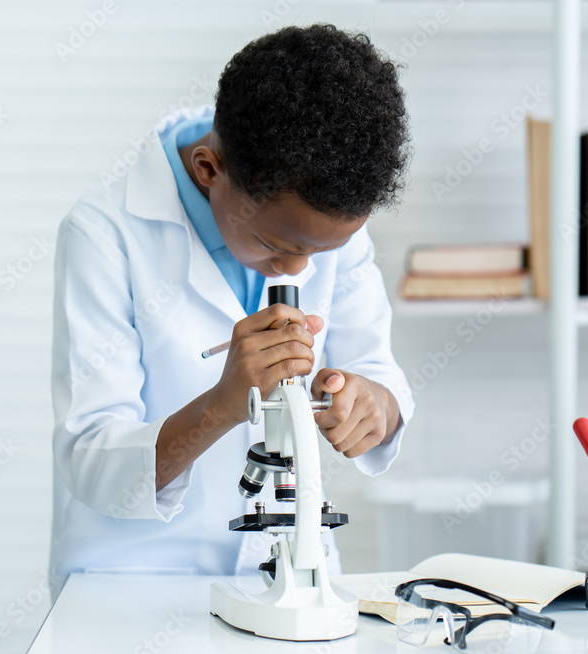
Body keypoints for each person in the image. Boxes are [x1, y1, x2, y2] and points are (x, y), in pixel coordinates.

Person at [50, 24, 414, 599]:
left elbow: (381, 378)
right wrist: (223, 403)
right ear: (207, 170)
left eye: (326, 251)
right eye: (276, 246)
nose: (300, 271)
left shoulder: (319, 217)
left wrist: (372, 406)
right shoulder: (105, 236)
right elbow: (92, 459)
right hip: (136, 585)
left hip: (294, 570)